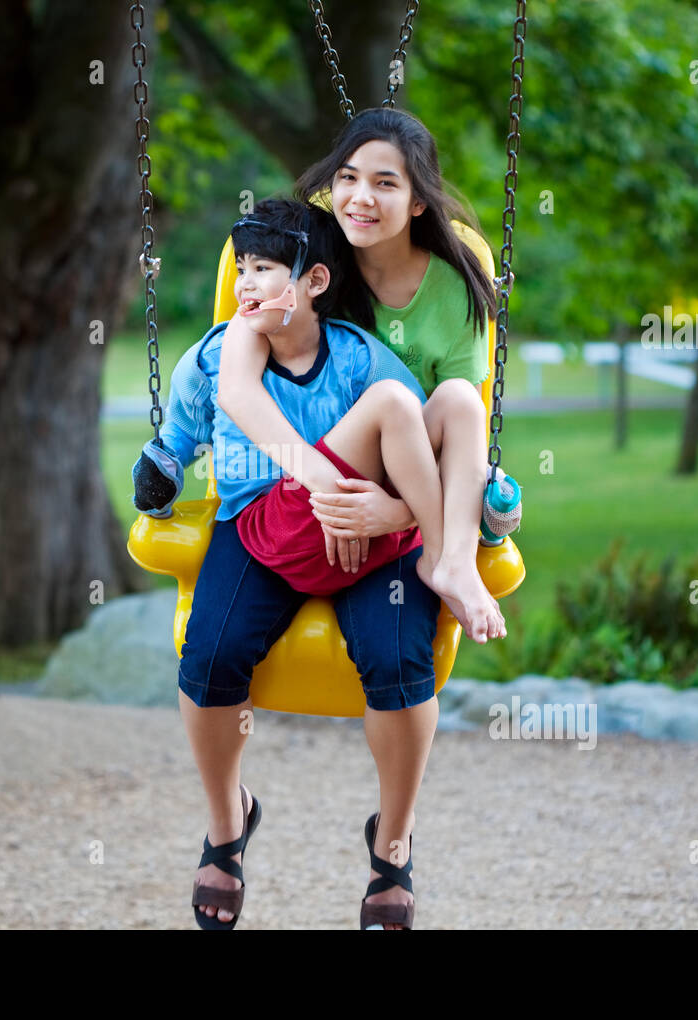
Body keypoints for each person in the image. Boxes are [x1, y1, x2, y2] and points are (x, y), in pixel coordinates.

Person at [131, 197, 448, 930]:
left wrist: (397, 509)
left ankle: (392, 846)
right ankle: (225, 826)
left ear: (312, 282)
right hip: (254, 525)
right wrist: (164, 468)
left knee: (399, 662)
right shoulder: (215, 356)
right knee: (208, 657)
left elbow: (422, 448)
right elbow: (181, 434)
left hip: (361, 531)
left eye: (265, 270)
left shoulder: (362, 360)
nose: (246, 284)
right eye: (241, 268)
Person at [219, 107, 509, 647]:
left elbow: (460, 442)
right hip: (313, 475)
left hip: (411, 485)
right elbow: (236, 385)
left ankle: (455, 564)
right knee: (391, 399)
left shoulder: (454, 290)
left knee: (463, 403)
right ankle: (440, 552)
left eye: (384, 183)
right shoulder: (313, 258)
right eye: (348, 178)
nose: (360, 198)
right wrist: (331, 489)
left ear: (418, 200)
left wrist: (397, 513)